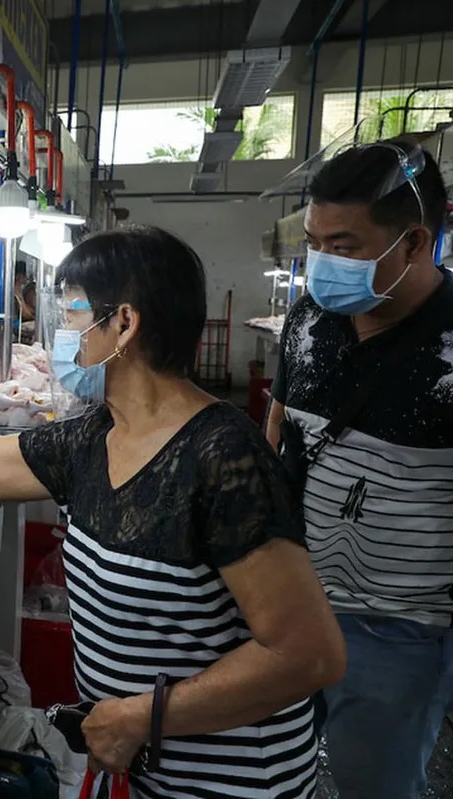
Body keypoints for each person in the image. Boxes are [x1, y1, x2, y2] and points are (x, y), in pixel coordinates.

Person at [0, 226, 346, 797]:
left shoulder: (224, 456)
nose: (60, 334)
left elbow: (309, 654)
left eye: (72, 314)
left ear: (125, 325)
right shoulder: (92, 438)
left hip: (236, 782)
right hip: (139, 769)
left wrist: (142, 717)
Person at [265, 139, 453, 799]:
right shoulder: (310, 320)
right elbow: (279, 425)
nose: (323, 264)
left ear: (413, 242)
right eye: (315, 243)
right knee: (273, 772)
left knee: (372, 784)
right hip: (288, 602)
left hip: (400, 626)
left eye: (343, 246)